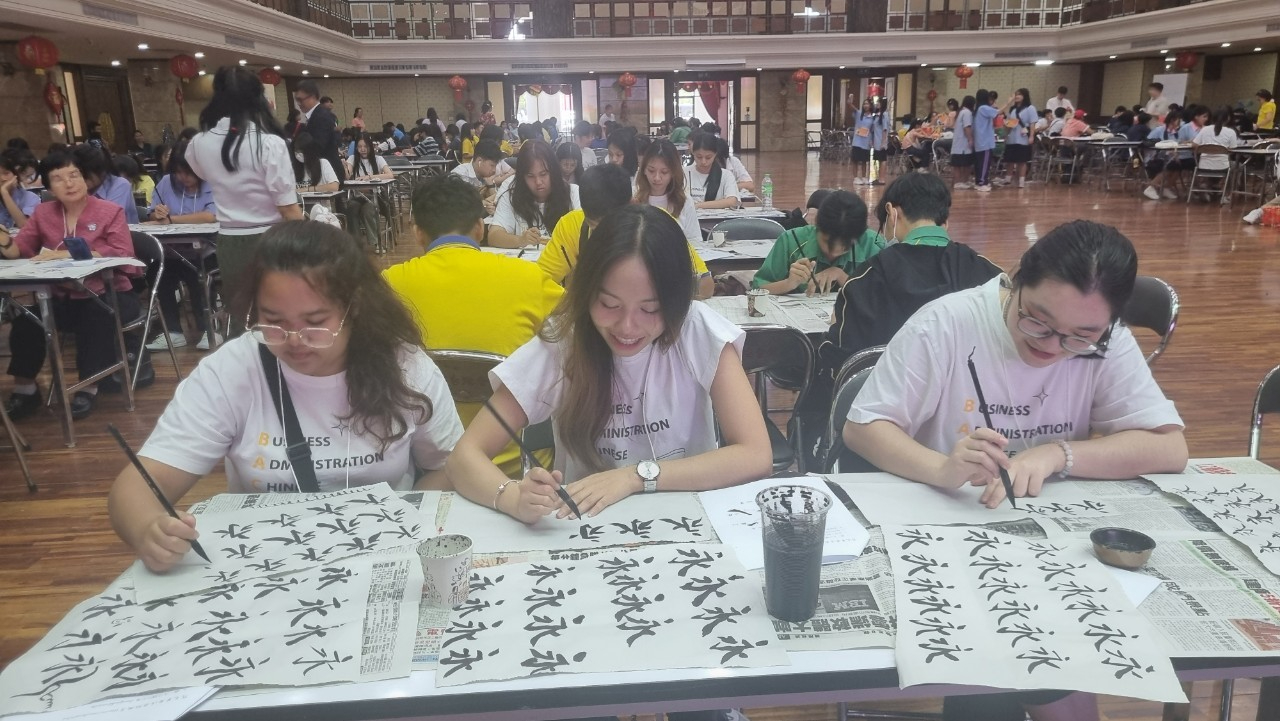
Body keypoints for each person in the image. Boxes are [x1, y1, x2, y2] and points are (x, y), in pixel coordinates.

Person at [844, 222, 1184, 721]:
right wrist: (941, 467)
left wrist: (1057, 455)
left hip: (1055, 550)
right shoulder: (948, 324)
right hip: (947, 538)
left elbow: (1169, 447)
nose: (1051, 346)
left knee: (1059, 649)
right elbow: (864, 427)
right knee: (1034, 668)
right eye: (1037, 322)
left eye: (1080, 337)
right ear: (1015, 280)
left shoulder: (1106, 340)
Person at [107, 221, 464, 572]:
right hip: (266, 561)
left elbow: (451, 467)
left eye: (315, 321)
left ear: (354, 308)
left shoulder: (404, 367)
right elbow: (137, 487)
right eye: (273, 320)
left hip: (380, 555)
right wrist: (147, 530)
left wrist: (407, 517)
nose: (294, 340)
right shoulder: (233, 370)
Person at [446, 203, 771, 522]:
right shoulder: (565, 344)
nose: (627, 328)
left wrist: (636, 477)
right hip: (586, 532)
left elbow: (755, 455)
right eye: (609, 304)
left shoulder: (697, 330)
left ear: (675, 302)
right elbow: (464, 457)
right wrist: (513, 497)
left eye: (650, 309)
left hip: (689, 524)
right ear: (587, 292)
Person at [384, 176, 563, 478]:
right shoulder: (530, 279)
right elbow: (579, 331)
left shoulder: (387, 287)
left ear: (417, 233)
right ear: (479, 228)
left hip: (428, 471)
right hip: (517, 468)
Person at [1, 149, 145, 421]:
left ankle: (87, 388)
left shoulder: (109, 211)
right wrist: (6, 243)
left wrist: (71, 253)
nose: (69, 183)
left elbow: (124, 253)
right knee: (26, 321)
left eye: (74, 175)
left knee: (95, 314)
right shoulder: (44, 213)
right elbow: (21, 248)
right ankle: (26, 390)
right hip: (62, 297)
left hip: (112, 295)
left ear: (84, 178)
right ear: (49, 186)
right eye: (58, 178)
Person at [817, 172, 1002, 378]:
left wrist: (837, 324)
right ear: (944, 220)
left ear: (892, 212)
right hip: (968, 402)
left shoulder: (867, 278)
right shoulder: (989, 275)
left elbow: (843, 362)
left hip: (887, 403)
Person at [187, 66, 304, 324]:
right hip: (270, 240)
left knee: (243, 319)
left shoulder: (199, 143)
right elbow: (287, 209)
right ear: (258, 98)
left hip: (228, 240)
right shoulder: (269, 143)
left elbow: (203, 174)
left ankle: (248, 364)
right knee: (280, 317)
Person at [542, 163, 713, 299]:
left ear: (632, 205)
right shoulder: (571, 225)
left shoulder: (659, 224)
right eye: (595, 228)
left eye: (610, 226)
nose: (603, 236)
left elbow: (704, 284)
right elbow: (540, 281)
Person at [143, 139, 221, 352]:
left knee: (197, 276)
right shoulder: (166, 183)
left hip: (206, 251)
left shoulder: (213, 182)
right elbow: (151, 213)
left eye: (187, 172)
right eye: (178, 172)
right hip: (171, 251)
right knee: (158, 274)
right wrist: (156, 214)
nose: (182, 178)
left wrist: (172, 220)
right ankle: (174, 332)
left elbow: (209, 216)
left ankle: (209, 329)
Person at [751, 190, 885, 296]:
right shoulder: (790, 241)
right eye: (827, 242)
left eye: (845, 246)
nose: (834, 252)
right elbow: (756, 290)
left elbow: (885, 295)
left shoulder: (873, 244)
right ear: (816, 225)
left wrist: (841, 276)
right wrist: (788, 283)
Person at [487, 141, 579, 248]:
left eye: (543, 174)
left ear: (554, 171)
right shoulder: (512, 195)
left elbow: (585, 231)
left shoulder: (572, 193)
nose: (538, 182)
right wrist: (520, 240)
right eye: (530, 176)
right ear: (522, 177)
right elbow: (493, 236)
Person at [634, 139, 701, 245]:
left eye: (664, 172)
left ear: (674, 173)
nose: (657, 178)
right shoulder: (633, 197)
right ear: (644, 170)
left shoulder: (684, 201)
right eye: (651, 171)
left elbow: (695, 241)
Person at [293, 79, 344, 183]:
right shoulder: (315, 115)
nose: (298, 103)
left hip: (328, 173)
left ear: (312, 97)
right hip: (320, 170)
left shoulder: (321, 116)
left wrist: (298, 153)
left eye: (300, 99)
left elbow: (319, 145)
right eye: (297, 100)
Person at [73, 145, 140, 223]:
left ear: (101, 171)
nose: (80, 180)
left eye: (85, 175)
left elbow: (107, 219)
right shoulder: (73, 187)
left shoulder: (120, 184)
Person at [1142, 110, 1189, 201]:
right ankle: (1151, 187)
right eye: (1178, 121)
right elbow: (1148, 143)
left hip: (1169, 157)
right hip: (1154, 158)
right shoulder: (1159, 130)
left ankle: (1166, 187)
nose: (1180, 123)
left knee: (1179, 165)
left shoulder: (1176, 133)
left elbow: (1176, 144)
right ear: (1172, 120)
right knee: (1170, 165)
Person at [684, 132, 738, 210]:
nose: (703, 162)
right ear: (693, 153)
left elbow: (732, 201)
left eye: (708, 157)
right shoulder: (683, 173)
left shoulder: (726, 175)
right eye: (699, 157)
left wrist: (698, 205)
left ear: (715, 154)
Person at [1003, 88, 1038, 188]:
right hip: (1012, 137)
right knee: (1009, 159)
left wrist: (1031, 136)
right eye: (1016, 94)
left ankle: (1021, 181)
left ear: (1024, 96)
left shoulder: (1030, 108)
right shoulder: (1012, 109)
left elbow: (1032, 124)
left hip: (1023, 138)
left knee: (1022, 160)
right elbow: (1011, 123)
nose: (1016, 96)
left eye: (1019, 95)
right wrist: (1006, 134)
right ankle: (1008, 178)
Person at [0, 148, 40, 229]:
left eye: (6, 173)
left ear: (15, 174)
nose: (3, 178)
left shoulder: (30, 198)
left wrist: (5, 193)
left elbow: (24, 226)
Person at [1192, 107, 1239, 174]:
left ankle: (1209, 184)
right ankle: (1229, 184)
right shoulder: (1231, 132)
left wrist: (1205, 148)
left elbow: (1194, 145)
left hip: (1203, 166)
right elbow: (1232, 150)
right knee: (1237, 165)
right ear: (1228, 119)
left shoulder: (1205, 129)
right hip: (1222, 166)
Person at [973, 89, 1000, 192]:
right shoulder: (984, 108)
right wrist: (1009, 102)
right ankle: (982, 182)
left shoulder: (977, 109)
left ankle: (978, 181)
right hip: (985, 141)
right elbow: (997, 113)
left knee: (979, 163)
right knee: (984, 163)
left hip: (979, 141)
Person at [849, 98, 878, 185]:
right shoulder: (858, 114)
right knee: (855, 160)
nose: (866, 105)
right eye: (864, 104)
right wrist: (850, 100)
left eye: (867, 104)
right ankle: (855, 177)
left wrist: (872, 141)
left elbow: (872, 130)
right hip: (857, 141)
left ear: (870, 106)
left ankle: (864, 177)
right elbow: (850, 106)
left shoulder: (872, 118)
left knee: (865, 160)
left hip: (866, 142)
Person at [950, 95, 976, 190]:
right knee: (965, 164)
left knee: (957, 164)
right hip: (963, 144)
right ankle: (962, 181)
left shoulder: (960, 112)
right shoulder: (967, 113)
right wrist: (970, 139)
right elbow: (967, 127)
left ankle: (958, 182)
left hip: (957, 143)